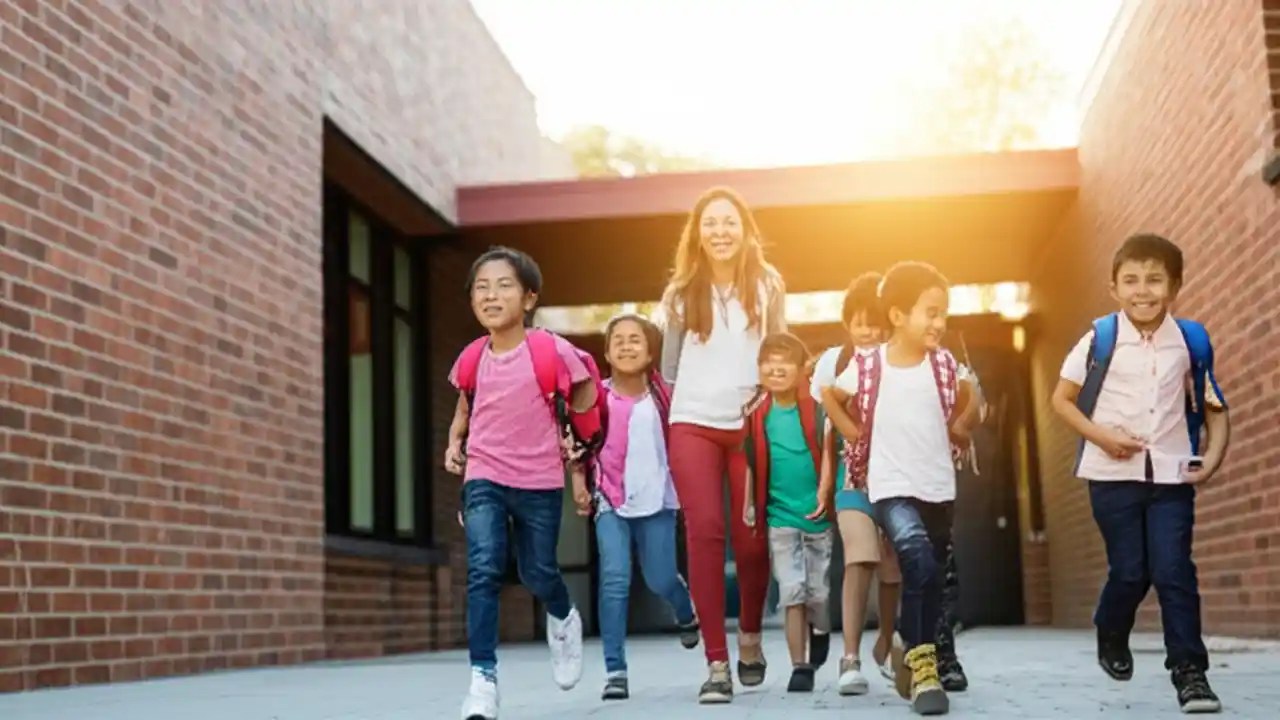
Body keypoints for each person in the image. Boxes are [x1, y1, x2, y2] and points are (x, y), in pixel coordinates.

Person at [1050, 233, 1229, 714]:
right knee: (1130, 572)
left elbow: (1213, 405)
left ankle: (1190, 673)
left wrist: (1211, 459)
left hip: (1172, 476)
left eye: (1154, 279)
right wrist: (1102, 437)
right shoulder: (1099, 339)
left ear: (1174, 286)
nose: (1142, 290)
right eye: (1130, 280)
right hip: (1112, 476)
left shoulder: (1189, 342)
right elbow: (1061, 401)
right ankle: (1111, 627)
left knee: (1173, 570)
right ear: (1114, 287)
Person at [824, 261, 979, 716]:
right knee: (913, 554)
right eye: (930, 312)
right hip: (889, 485)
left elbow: (971, 398)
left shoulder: (945, 365)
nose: (939, 323)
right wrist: (856, 436)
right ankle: (924, 666)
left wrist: (962, 427)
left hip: (938, 486)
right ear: (897, 316)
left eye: (943, 313)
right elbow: (830, 396)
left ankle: (912, 647)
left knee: (929, 574)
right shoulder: (869, 365)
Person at [447, 247, 595, 720]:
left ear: (529, 297)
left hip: (538, 479)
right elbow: (467, 408)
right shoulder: (472, 358)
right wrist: (455, 442)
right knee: (484, 568)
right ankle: (482, 682)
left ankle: (562, 612)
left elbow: (587, 393)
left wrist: (579, 439)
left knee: (537, 571)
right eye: (481, 288)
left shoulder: (550, 349)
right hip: (485, 474)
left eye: (504, 285)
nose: (491, 295)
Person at [659, 185, 787, 703]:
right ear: (698, 233)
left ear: (745, 229)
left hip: (750, 423)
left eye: (729, 222)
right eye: (709, 223)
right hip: (692, 423)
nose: (720, 232)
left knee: (753, 542)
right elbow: (668, 367)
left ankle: (750, 637)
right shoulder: (679, 293)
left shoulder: (768, 286)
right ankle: (716, 663)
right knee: (705, 535)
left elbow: (779, 349)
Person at [589, 313, 700, 701]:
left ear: (651, 351)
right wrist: (578, 486)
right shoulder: (595, 397)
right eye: (617, 339)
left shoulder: (664, 397)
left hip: (658, 499)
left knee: (660, 579)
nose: (625, 345)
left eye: (635, 339)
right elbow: (576, 445)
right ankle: (615, 669)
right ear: (606, 352)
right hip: (610, 499)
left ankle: (685, 610)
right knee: (615, 579)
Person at [811, 272, 903, 694]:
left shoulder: (902, 358)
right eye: (859, 322)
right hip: (853, 476)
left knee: (892, 567)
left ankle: (886, 640)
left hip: (899, 475)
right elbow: (825, 429)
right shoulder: (833, 364)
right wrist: (825, 483)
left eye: (876, 323)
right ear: (847, 322)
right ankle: (849, 658)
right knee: (860, 557)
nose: (868, 331)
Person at [743, 333, 835, 693]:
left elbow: (829, 451)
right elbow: (750, 460)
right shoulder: (755, 412)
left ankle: (822, 629)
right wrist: (750, 502)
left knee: (819, 593)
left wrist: (826, 492)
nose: (776, 367)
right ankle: (801, 666)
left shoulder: (815, 409)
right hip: (779, 517)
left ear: (801, 371)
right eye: (768, 361)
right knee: (792, 591)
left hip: (817, 515)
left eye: (785, 362)